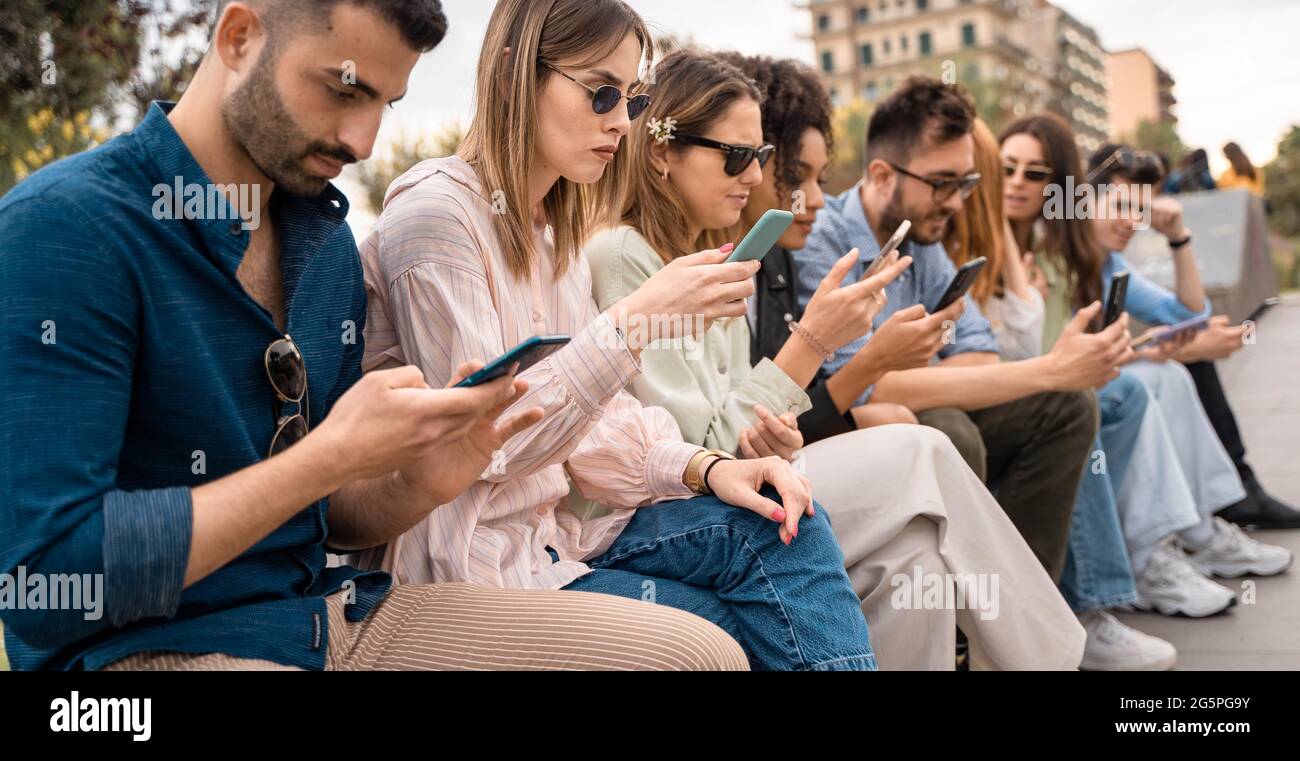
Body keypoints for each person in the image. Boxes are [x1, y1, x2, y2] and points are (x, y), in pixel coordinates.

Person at [0, 0, 749, 672]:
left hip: (330, 620)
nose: (363, 139)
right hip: (145, 650)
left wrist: (421, 477)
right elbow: (45, 587)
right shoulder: (70, 230)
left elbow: (336, 515)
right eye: (343, 89)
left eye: (386, 103)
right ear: (238, 37)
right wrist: (323, 458)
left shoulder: (321, 245)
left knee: (698, 654)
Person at [355, 0, 874, 671]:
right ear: (515, 70)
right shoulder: (437, 219)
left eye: (630, 98)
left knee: (783, 526)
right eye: (601, 92)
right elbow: (489, 444)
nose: (619, 121)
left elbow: (597, 429)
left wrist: (711, 467)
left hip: (550, 551)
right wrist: (631, 324)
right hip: (462, 574)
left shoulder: (552, 239)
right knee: (737, 625)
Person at [585, 50, 1084, 670]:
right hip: (672, 518)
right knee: (924, 446)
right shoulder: (624, 256)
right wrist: (812, 346)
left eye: (761, 157)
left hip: (736, 490)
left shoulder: (717, 257)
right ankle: (1051, 660)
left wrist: (781, 429)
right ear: (661, 152)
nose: (752, 177)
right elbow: (701, 451)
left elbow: (743, 427)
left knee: (915, 561)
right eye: (736, 156)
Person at [793, 76, 1125, 584]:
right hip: (826, 435)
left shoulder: (923, 239)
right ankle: (976, 620)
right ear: (882, 175)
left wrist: (910, 367)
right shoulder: (824, 242)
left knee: (1070, 406)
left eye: (967, 183)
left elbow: (981, 356)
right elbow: (862, 387)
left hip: (908, 411)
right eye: (943, 182)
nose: (956, 201)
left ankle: (1022, 609)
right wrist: (1049, 369)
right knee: (947, 427)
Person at [947, 117, 1175, 670]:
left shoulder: (1051, 247)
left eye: (1035, 173)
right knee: (1083, 403)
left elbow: (1043, 347)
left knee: (1129, 394)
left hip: (1026, 387)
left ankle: (1154, 552)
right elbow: (1023, 354)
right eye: (1005, 171)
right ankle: (1091, 602)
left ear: (1059, 186)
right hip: (992, 394)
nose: (1018, 183)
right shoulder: (962, 238)